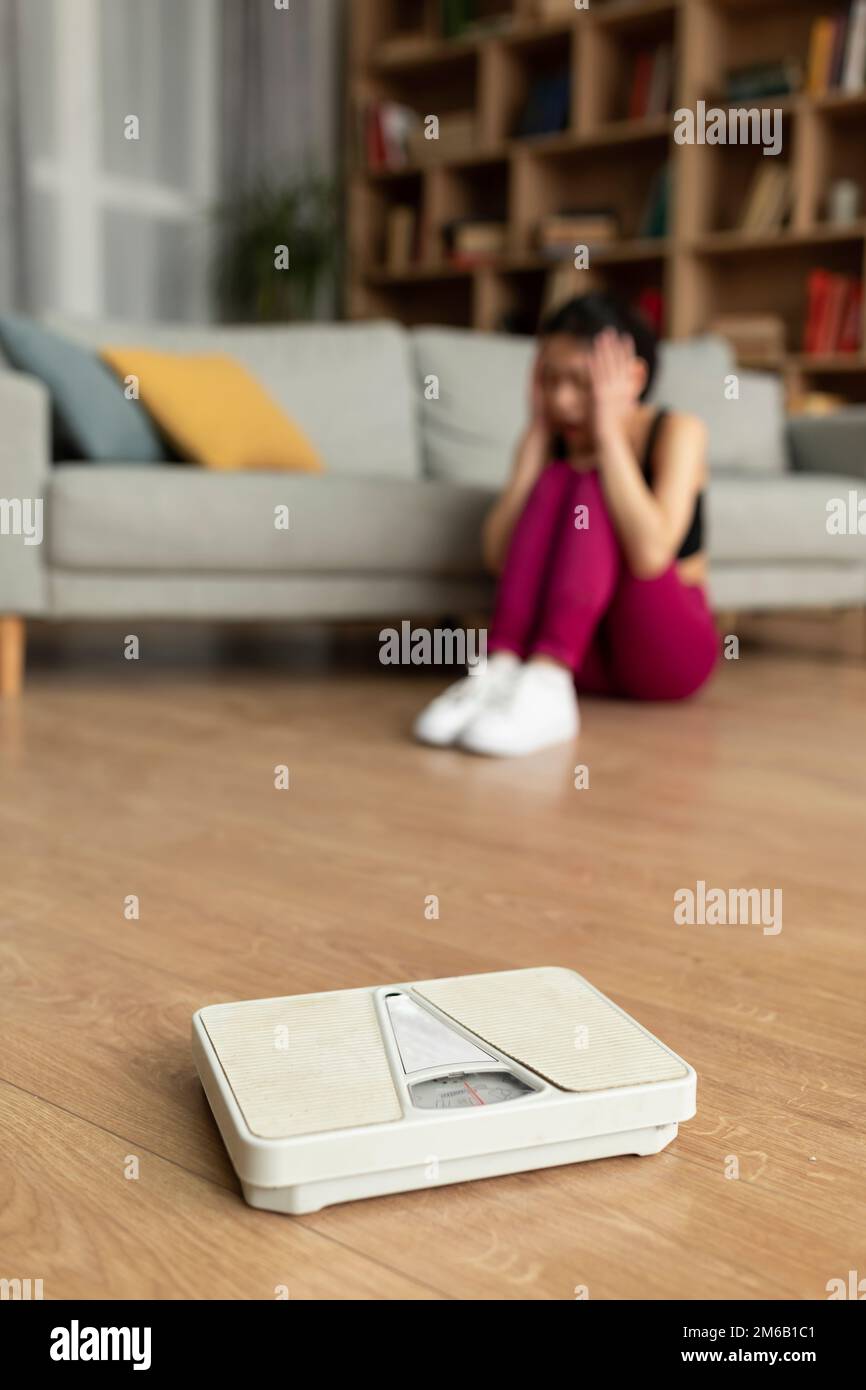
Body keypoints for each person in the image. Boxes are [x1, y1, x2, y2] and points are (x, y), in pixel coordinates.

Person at [414, 292, 718, 757]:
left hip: (668, 657)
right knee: (562, 477)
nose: (561, 399)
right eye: (549, 380)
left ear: (632, 378)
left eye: (580, 382)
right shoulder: (551, 441)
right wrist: (533, 444)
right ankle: (503, 669)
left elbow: (652, 554)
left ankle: (549, 679)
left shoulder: (677, 431)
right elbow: (497, 556)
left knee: (589, 483)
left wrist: (608, 437)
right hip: (589, 656)